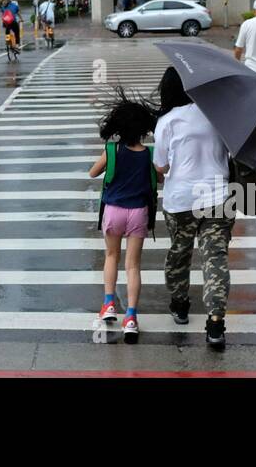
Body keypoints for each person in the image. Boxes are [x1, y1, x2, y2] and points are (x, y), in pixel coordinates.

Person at [153, 66, 234, 350]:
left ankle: (180, 304)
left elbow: (160, 165)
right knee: (215, 258)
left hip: (181, 200)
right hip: (218, 197)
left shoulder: (167, 121)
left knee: (180, 252)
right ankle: (215, 323)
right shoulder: (218, 116)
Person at [89, 88, 161, 344]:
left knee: (111, 256)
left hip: (113, 212)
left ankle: (109, 304)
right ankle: (131, 318)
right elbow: (159, 177)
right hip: (138, 213)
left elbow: (93, 173)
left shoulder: (112, 151)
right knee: (133, 266)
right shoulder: (149, 154)